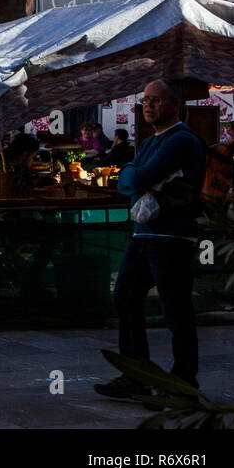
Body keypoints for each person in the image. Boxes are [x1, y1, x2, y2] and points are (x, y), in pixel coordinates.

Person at [95, 81, 204, 400]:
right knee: (126, 297)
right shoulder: (149, 142)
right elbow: (127, 181)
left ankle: (184, 385)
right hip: (144, 235)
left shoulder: (182, 140)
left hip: (170, 236)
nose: (149, 106)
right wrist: (132, 172)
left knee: (176, 310)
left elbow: (136, 179)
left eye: (156, 100)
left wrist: (132, 171)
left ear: (174, 104)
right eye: (146, 100)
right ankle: (135, 375)